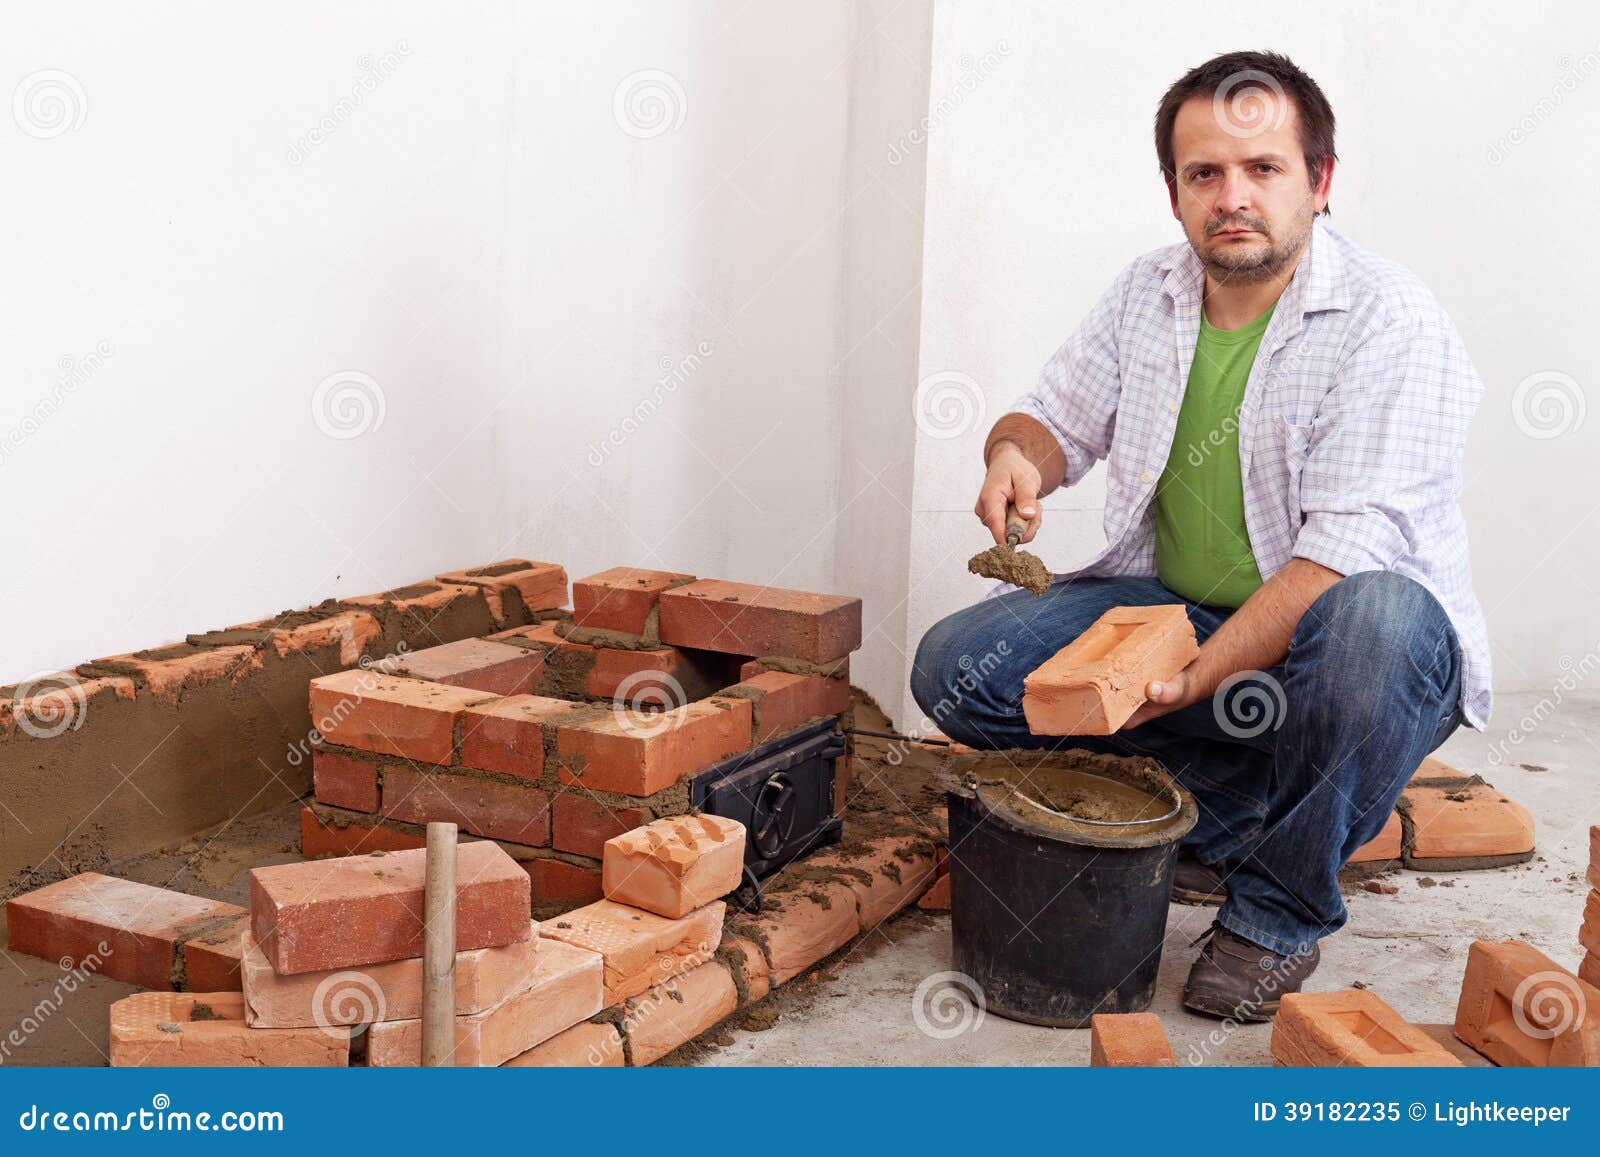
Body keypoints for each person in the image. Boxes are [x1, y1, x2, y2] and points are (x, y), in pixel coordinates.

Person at [910, 49, 1488, 1021]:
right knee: (957, 667)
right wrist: (1015, 459)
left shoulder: (1389, 320)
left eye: (1263, 168)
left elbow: (1334, 564)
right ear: (1173, 191)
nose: (1233, 196)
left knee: (1375, 621)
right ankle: (1242, 818)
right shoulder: (1151, 290)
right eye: (1204, 172)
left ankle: (1275, 914)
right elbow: (1050, 417)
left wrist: (1186, 678)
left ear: (1320, 180)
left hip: (1343, 649)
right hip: (1181, 612)